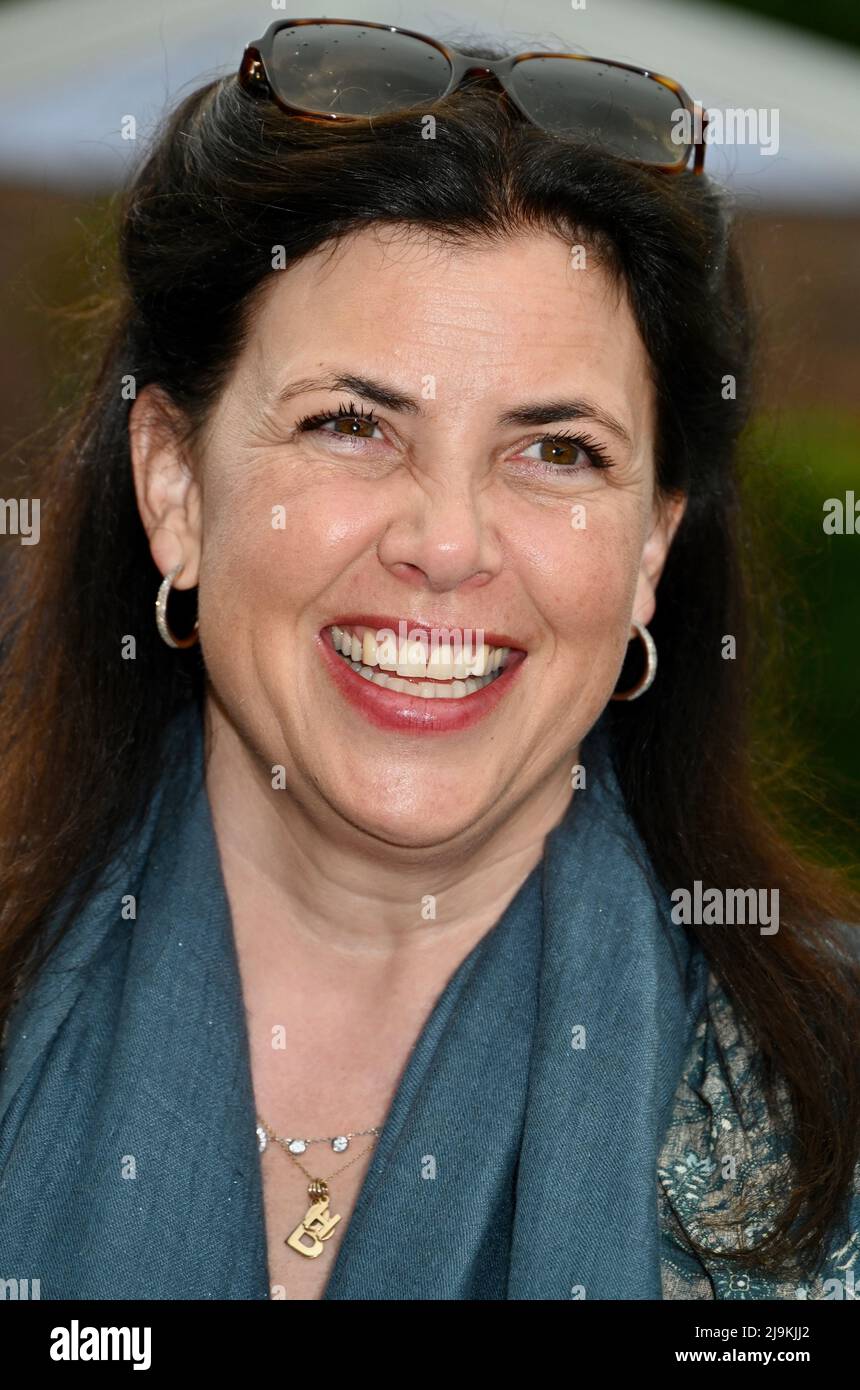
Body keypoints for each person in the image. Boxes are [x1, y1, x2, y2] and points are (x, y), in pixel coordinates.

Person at [0, 18, 858, 1302]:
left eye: (555, 451)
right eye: (351, 425)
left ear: (648, 553)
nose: (447, 544)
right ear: (174, 484)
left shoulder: (830, 1108)